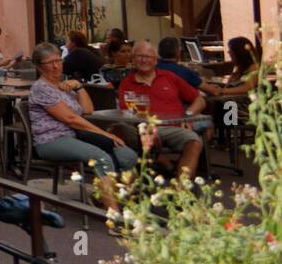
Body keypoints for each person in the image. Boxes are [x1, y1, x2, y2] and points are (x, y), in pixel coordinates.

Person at [27, 42, 136, 212]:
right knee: (101, 158)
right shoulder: (41, 88)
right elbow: (71, 119)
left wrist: (78, 86)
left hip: (78, 135)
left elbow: (87, 110)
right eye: (50, 63)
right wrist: (105, 135)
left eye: (58, 60)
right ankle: (114, 217)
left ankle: (103, 196)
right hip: (52, 140)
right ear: (40, 67)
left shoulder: (64, 85)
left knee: (127, 155)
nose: (56, 66)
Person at [117, 40, 206, 179]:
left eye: (148, 57)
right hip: (142, 128)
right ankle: (136, 178)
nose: (144, 60)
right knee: (117, 129)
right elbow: (127, 113)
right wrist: (146, 127)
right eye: (139, 56)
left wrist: (188, 115)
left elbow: (199, 100)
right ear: (133, 59)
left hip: (172, 127)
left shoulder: (169, 77)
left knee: (194, 141)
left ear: (155, 60)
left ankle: (182, 188)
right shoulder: (127, 83)